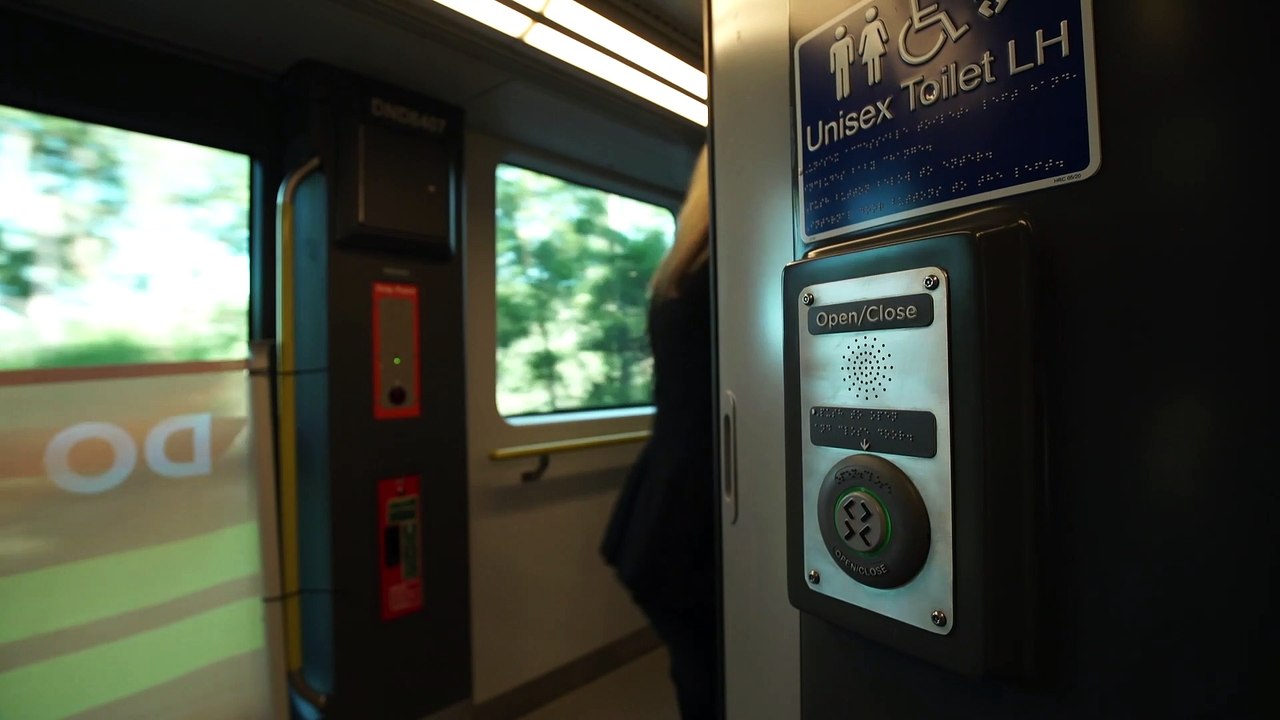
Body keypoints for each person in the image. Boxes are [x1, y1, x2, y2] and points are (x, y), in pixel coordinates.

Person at [601, 144, 717, 720]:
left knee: (698, 671)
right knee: (714, 678)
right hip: (698, 513)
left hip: (661, 506)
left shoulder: (677, 274)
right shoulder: (727, 270)